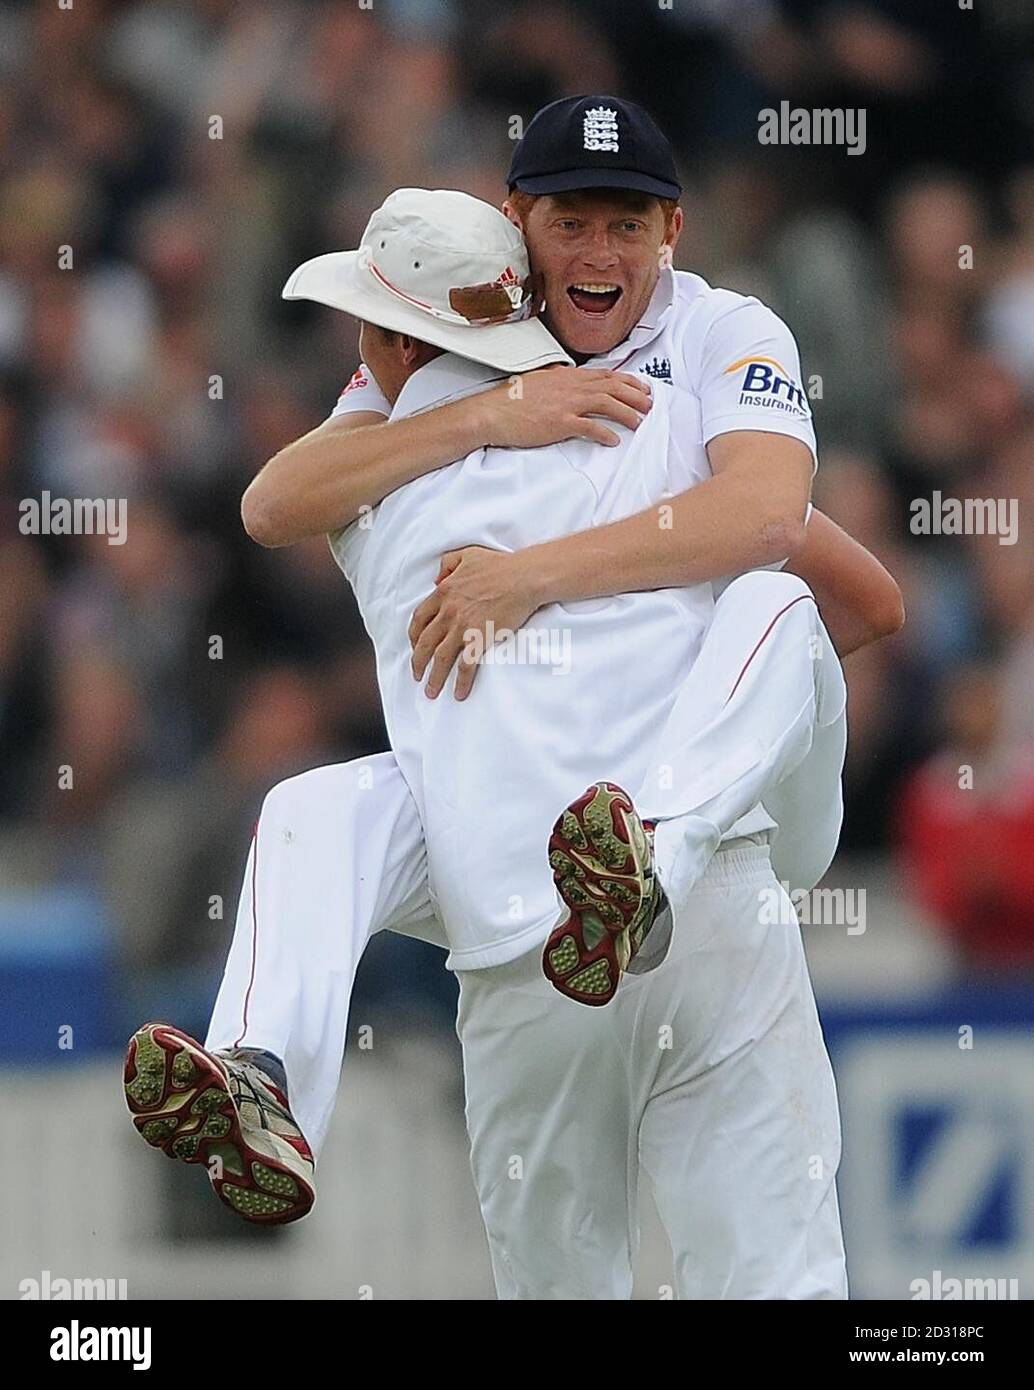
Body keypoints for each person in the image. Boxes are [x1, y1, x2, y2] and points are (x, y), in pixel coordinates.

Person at [126, 99, 903, 1298]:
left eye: (623, 222)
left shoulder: (396, 444)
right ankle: (642, 855)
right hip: (695, 889)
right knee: (773, 608)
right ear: (515, 231)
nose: (598, 248)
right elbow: (841, 580)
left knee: (309, 813)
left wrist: (527, 577)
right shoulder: (645, 430)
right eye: (571, 221)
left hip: (522, 917)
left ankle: (267, 1066)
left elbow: (268, 505)